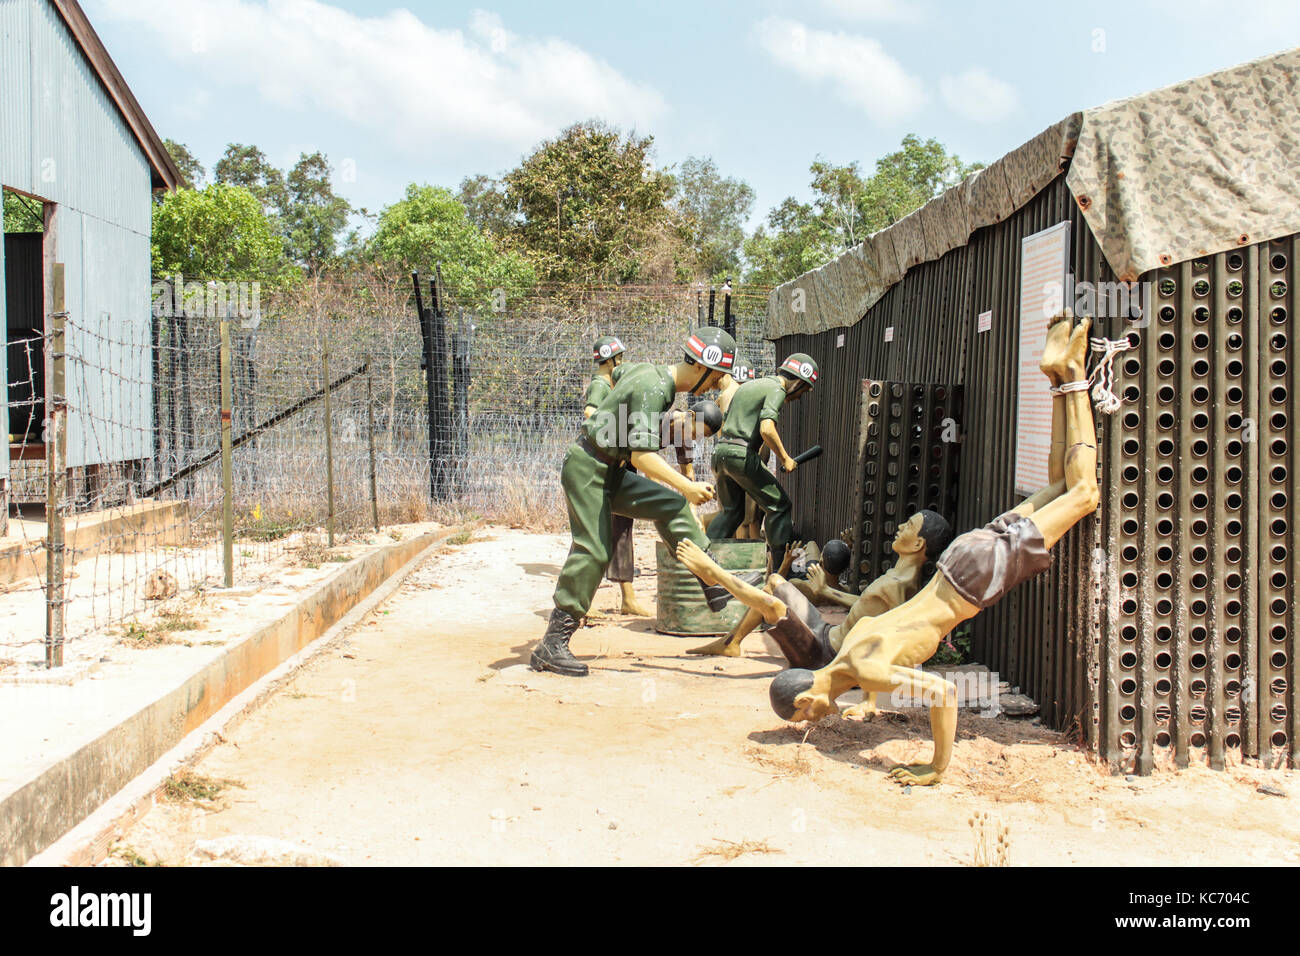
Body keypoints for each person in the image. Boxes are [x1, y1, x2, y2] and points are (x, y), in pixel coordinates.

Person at [678, 314, 1102, 786]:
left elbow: (944, 693)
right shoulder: (853, 646)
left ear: (805, 701)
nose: (815, 723)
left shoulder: (863, 665)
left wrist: (934, 768)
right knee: (1063, 486)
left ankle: (1073, 375)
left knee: (1083, 493)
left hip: (971, 575)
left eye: (805, 720)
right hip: (959, 564)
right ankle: (1059, 376)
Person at [530, 327, 738, 677]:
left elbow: (621, 373)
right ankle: (551, 645)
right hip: (588, 468)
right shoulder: (653, 388)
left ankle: (708, 575)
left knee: (668, 505)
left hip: (610, 469)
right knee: (594, 550)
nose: (716, 385)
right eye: (717, 377)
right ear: (704, 367)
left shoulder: (650, 373)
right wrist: (688, 486)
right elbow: (642, 457)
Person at [685, 514, 951, 681]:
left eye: (910, 526)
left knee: (776, 607)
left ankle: (715, 575)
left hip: (825, 654)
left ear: (918, 544)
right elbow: (868, 605)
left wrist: (827, 592)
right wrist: (828, 592)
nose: (902, 526)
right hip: (826, 633)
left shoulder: (902, 585)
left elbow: (891, 635)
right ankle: (732, 642)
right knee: (776, 582)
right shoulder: (897, 576)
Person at [706, 354, 820, 569]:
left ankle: (702, 561)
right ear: (797, 382)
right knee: (780, 506)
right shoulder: (777, 389)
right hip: (742, 455)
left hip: (720, 453)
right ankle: (780, 570)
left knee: (732, 512)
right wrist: (785, 458)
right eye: (803, 391)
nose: (799, 397)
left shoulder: (749, 386)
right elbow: (766, 428)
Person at [583, 335, 650, 617]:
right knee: (595, 534)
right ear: (609, 360)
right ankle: (581, 602)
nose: (621, 362)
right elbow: (590, 415)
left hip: (619, 465)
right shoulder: (600, 385)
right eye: (618, 358)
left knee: (621, 530)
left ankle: (628, 597)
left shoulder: (613, 383)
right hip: (604, 467)